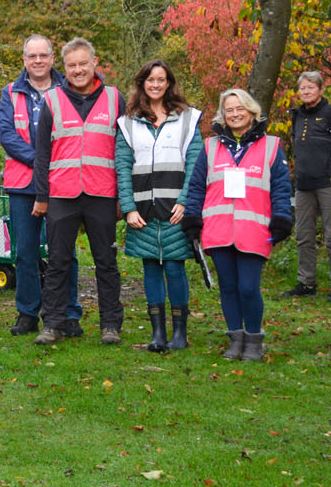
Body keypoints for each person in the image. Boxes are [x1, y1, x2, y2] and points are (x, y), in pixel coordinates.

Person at [181, 89, 293, 361]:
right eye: (229, 110)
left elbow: (281, 187)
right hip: (218, 229)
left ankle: (254, 340)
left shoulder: (271, 146)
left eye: (239, 108)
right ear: (223, 115)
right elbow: (196, 186)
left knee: (248, 288)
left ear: (252, 111)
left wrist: (282, 218)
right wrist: (192, 219)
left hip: (255, 230)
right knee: (228, 288)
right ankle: (235, 338)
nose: (234, 114)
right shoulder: (210, 147)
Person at [32, 38, 126, 346]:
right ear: (65, 68)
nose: (78, 70)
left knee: (106, 262)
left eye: (83, 63)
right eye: (71, 65)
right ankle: (53, 324)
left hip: (102, 192)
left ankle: (110, 324)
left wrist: (123, 197)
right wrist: (42, 196)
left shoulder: (115, 98)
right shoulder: (52, 100)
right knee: (58, 261)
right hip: (62, 193)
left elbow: (125, 150)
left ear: (94, 63)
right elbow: (42, 153)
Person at [0, 35, 81, 336]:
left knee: (65, 251)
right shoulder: (10, 92)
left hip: (61, 182)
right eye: (32, 56)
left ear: (52, 58)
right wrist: (40, 160)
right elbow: (6, 134)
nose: (38, 61)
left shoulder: (69, 89)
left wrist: (51, 164)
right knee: (25, 252)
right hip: (23, 184)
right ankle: (27, 313)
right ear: (24, 60)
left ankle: (69, 314)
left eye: (43, 55)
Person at [116, 61, 202, 352]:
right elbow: (122, 167)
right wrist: (128, 208)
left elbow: (196, 165)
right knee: (151, 268)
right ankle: (157, 333)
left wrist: (186, 202)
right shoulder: (128, 122)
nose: (155, 84)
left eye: (161, 79)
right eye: (150, 79)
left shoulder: (187, 119)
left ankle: (179, 333)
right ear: (142, 83)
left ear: (169, 83)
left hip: (175, 209)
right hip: (143, 211)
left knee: (175, 268)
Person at [287, 71, 331, 298]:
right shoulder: (297, 115)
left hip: (327, 183)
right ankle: (307, 283)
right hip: (303, 185)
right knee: (304, 236)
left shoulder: (329, 113)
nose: (306, 92)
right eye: (302, 88)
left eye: (311, 87)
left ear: (321, 89)